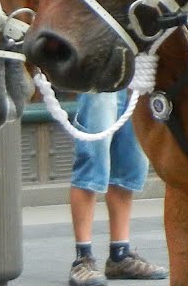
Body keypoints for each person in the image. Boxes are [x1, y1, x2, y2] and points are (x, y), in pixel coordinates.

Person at [66, 91, 168, 286]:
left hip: (135, 82)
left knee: (128, 166)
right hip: (100, 82)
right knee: (91, 161)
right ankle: (82, 259)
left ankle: (120, 254)